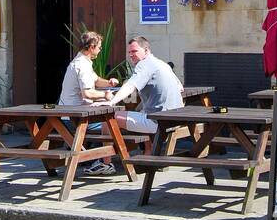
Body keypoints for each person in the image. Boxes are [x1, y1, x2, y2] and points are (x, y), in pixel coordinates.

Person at [58, 30, 120, 176]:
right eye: (99, 46)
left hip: (70, 114)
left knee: (111, 120)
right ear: (91, 47)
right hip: (75, 118)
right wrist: (106, 95)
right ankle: (104, 162)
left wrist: (109, 82)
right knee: (114, 123)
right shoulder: (82, 65)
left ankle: (97, 158)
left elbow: (96, 80)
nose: (101, 49)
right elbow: (88, 93)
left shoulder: (82, 62)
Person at [108, 36, 184, 134]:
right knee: (141, 111)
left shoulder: (144, 64)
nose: (131, 55)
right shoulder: (162, 64)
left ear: (146, 50)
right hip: (177, 119)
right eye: (129, 52)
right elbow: (180, 88)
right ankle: (148, 148)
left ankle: (113, 149)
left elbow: (131, 85)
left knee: (109, 119)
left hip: (158, 122)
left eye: (134, 51)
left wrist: (111, 102)